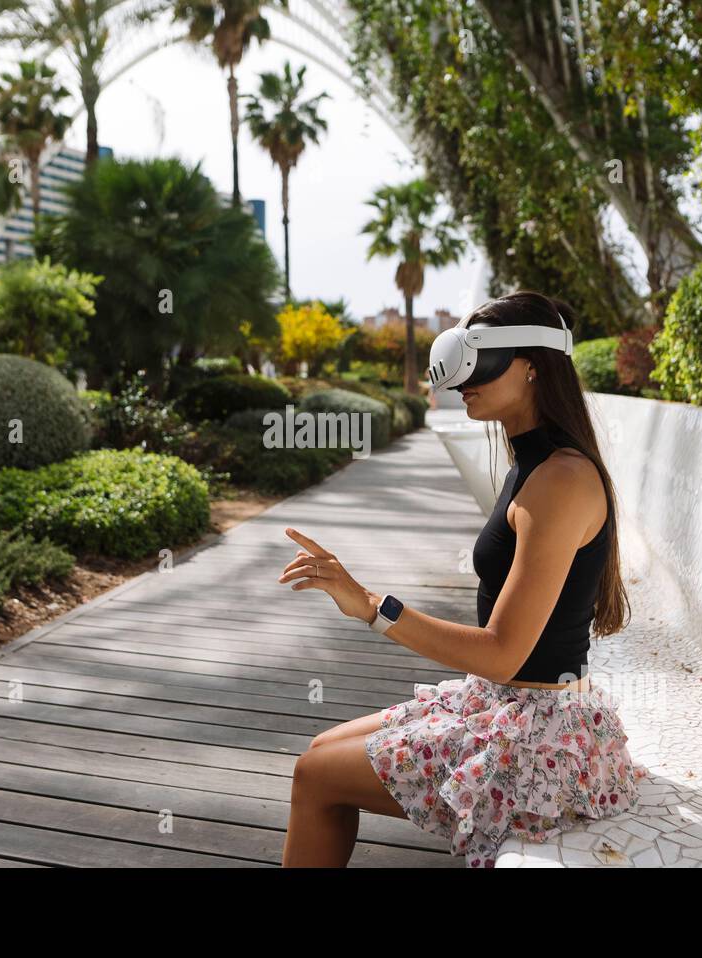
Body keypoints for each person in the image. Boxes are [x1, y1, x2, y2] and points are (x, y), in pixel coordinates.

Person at [276, 290, 649, 868]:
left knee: (315, 775)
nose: (463, 378)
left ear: (532, 365)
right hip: (504, 701)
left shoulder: (560, 481)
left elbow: (502, 653)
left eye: (481, 360)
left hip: (538, 738)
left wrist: (374, 605)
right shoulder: (533, 462)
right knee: (323, 748)